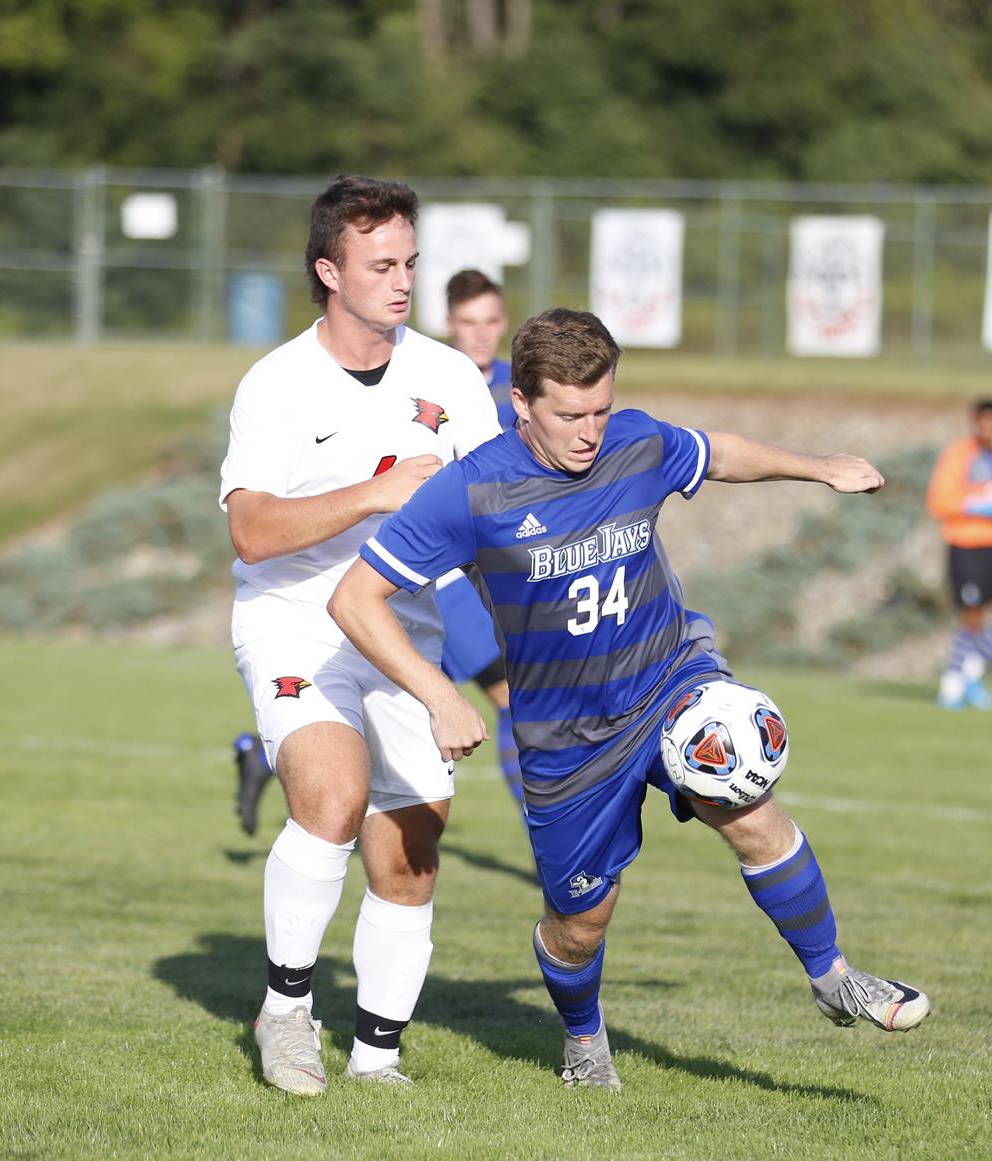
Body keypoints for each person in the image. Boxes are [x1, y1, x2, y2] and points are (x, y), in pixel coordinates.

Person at [330, 308, 931, 1092]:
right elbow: (355, 598)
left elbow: (717, 454)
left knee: (744, 793)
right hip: (565, 736)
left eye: (601, 409)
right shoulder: (471, 490)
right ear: (521, 402)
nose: (590, 431)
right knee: (581, 923)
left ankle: (834, 975)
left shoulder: (635, 441)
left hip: (667, 679)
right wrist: (440, 695)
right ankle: (583, 1038)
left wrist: (819, 466)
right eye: (570, 414)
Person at [219, 174, 500, 1094]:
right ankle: (287, 1009)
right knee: (333, 800)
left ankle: (378, 1055)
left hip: (401, 631)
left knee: (410, 850)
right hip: (295, 621)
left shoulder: (451, 378)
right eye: (382, 264)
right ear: (328, 271)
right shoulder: (276, 384)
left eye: (411, 262)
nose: (404, 280)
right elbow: (253, 529)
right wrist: (378, 492)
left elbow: (495, 512)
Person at [433, 269, 523, 807]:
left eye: (490, 321)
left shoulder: (524, 389)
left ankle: (260, 756)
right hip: (446, 574)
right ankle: (550, 854)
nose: (481, 333)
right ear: (449, 324)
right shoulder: (429, 387)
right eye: (468, 322)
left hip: (500, 568)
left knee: (385, 707)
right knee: (514, 698)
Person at [924, 398, 992, 710]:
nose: (988, 427)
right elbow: (938, 502)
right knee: (973, 619)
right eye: (983, 421)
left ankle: (968, 671)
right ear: (974, 422)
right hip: (966, 546)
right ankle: (952, 684)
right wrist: (976, 507)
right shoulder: (958, 455)